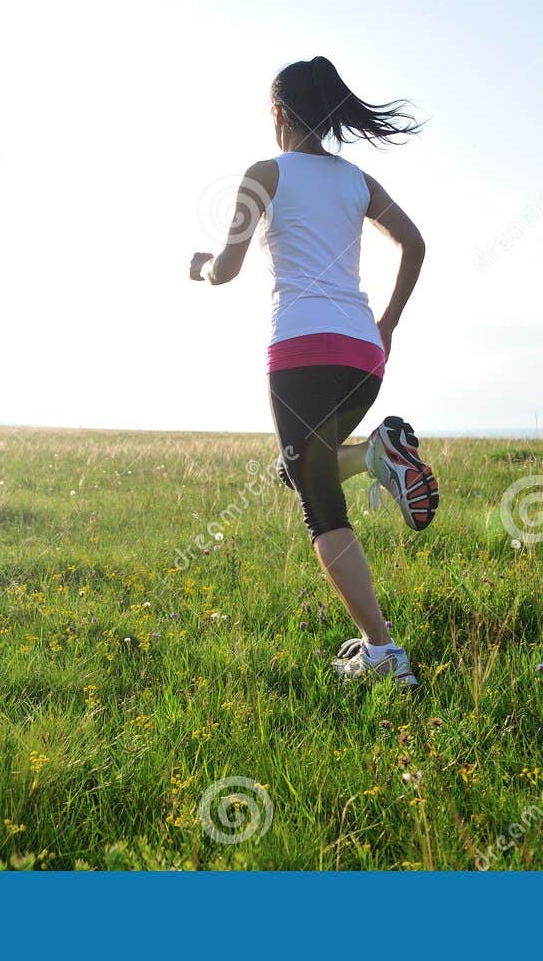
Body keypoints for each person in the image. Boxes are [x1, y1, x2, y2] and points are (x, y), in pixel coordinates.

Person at [189, 56, 438, 688]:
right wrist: (387, 324)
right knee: (298, 467)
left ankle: (383, 654)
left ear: (278, 113)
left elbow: (228, 268)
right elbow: (414, 243)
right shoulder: (358, 180)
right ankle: (379, 454)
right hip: (363, 358)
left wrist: (202, 268)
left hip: (301, 354)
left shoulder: (264, 174)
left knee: (319, 506)